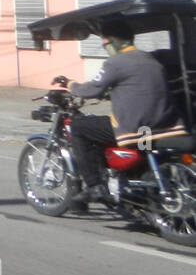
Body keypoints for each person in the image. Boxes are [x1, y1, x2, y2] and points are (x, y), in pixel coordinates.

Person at [61, 18, 188, 204]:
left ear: (111, 41)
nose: (105, 47)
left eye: (105, 43)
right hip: (161, 127)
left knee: (79, 127)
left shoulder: (116, 63)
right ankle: (136, 179)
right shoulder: (149, 59)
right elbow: (138, 88)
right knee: (141, 146)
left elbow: (92, 89)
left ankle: (95, 186)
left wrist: (71, 85)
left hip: (135, 129)